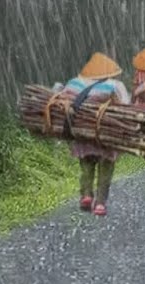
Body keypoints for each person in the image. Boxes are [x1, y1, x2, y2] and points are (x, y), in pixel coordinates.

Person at [55, 52, 131, 216]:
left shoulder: (73, 83)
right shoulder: (115, 85)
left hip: (82, 135)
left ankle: (86, 195)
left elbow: (61, 101)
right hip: (105, 134)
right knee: (106, 169)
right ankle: (100, 204)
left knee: (87, 166)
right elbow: (126, 106)